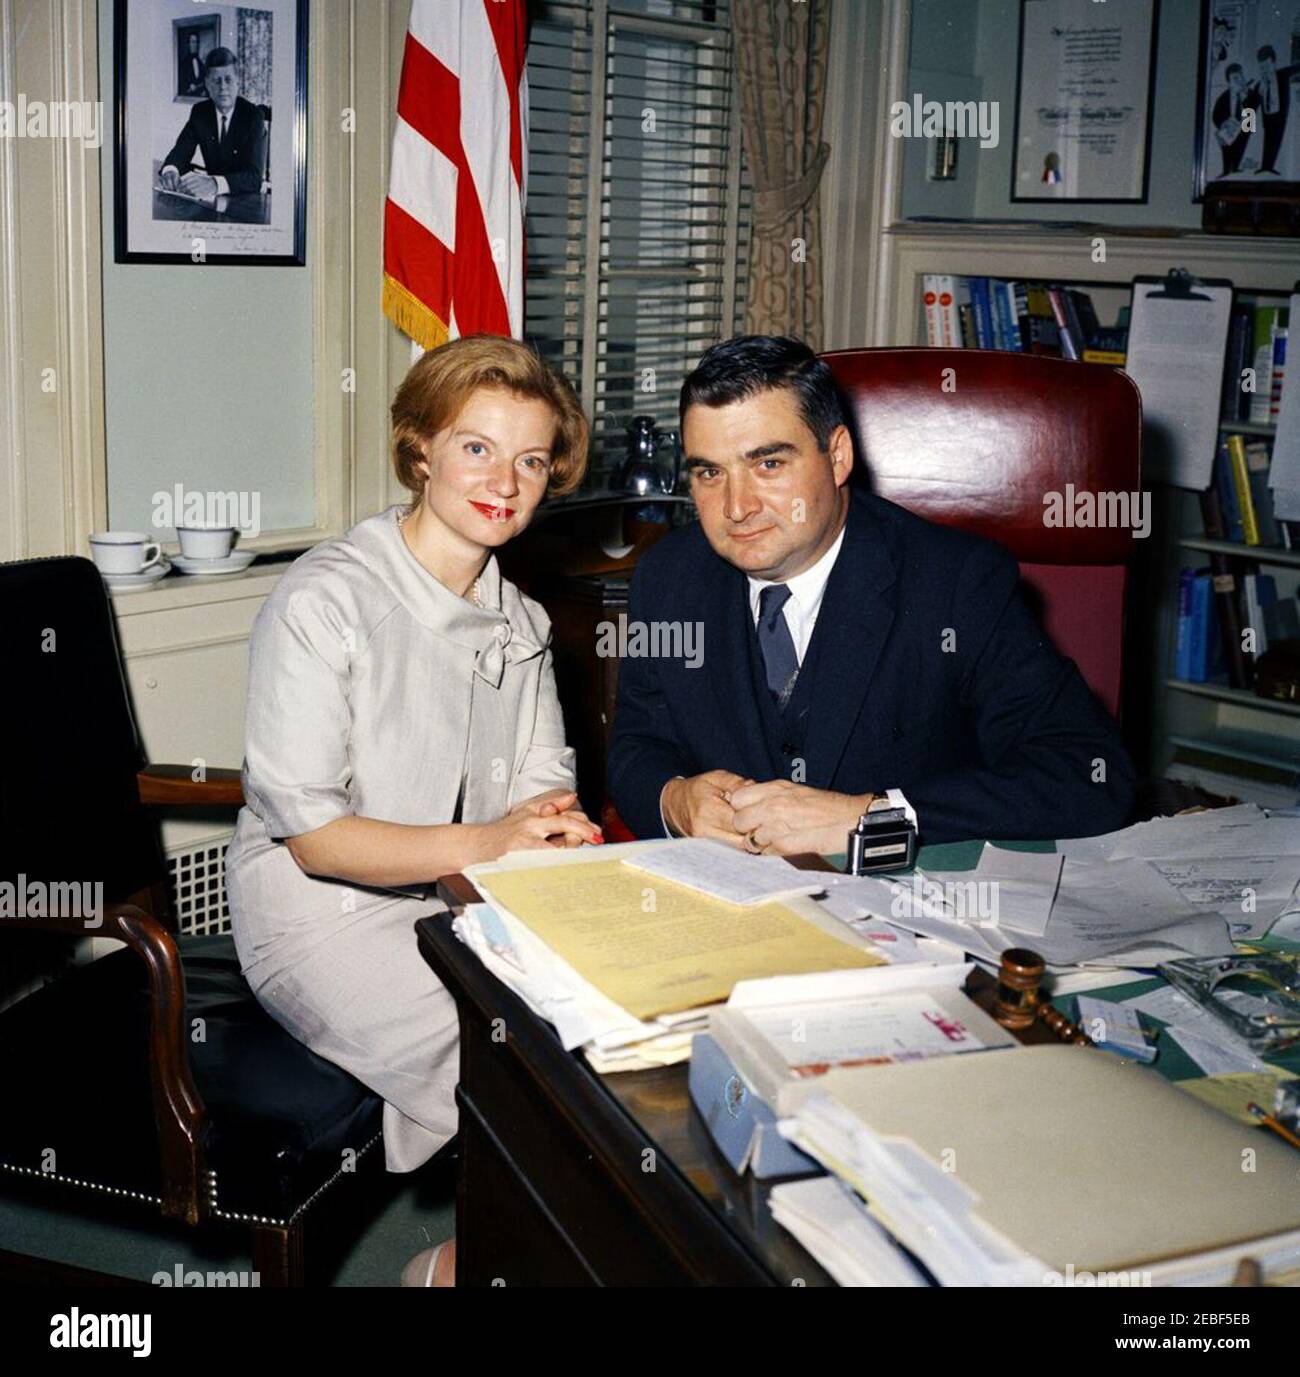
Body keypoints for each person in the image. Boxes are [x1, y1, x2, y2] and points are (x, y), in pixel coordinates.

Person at [226, 336, 602, 1287]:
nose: (504, 481)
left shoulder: (518, 618)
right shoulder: (325, 600)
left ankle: (476, 1263)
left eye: (529, 460)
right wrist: (492, 841)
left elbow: (537, 784)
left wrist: (547, 829)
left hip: (457, 898)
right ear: (419, 449)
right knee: (527, 1049)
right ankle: (475, 1271)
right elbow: (313, 838)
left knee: (604, 1008)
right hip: (320, 921)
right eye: (476, 448)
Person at [607, 335, 1135, 855]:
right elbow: (637, 746)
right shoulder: (668, 578)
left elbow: (1090, 775)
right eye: (709, 472)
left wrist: (872, 816)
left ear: (837, 456)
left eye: (769, 464)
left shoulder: (957, 583)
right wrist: (674, 800)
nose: (736, 506)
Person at [159, 46, 266, 199]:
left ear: (238, 82)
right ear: (207, 84)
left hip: (244, 200)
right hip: (211, 200)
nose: (223, 87)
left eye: (228, 80)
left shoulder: (253, 116)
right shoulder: (200, 112)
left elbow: (255, 178)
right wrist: (171, 170)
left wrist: (215, 183)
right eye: (216, 81)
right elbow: (181, 150)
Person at [1252, 44, 1299, 175]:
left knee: (1276, 142)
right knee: (1267, 142)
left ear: (1274, 63)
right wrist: (1247, 128)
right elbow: (1250, 106)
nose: (1265, 70)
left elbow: (1296, 68)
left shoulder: (1282, 75)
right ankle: (1265, 166)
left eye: (1267, 66)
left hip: (1280, 117)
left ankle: (1270, 166)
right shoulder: (1259, 85)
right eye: (1262, 67)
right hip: (1267, 119)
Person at [1213, 63, 1255, 176]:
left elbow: (1252, 115)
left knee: (1241, 149)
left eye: (1241, 77)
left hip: (1245, 129)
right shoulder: (1223, 98)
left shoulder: (1250, 93)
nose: (1239, 81)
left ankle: (1237, 168)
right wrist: (1223, 124)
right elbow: (1215, 115)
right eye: (1235, 78)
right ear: (1229, 82)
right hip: (1229, 131)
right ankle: (1227, 171)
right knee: (1227, 151)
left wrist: (1245, 99)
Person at [179, 33, 206, 97]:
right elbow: (181, 84)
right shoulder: (183, 63)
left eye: (196, 42)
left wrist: (203, 90)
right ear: (188, 44)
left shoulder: (201, 63)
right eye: (193, 42)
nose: (195, 45)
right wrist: (189, 86)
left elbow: (204, 80)